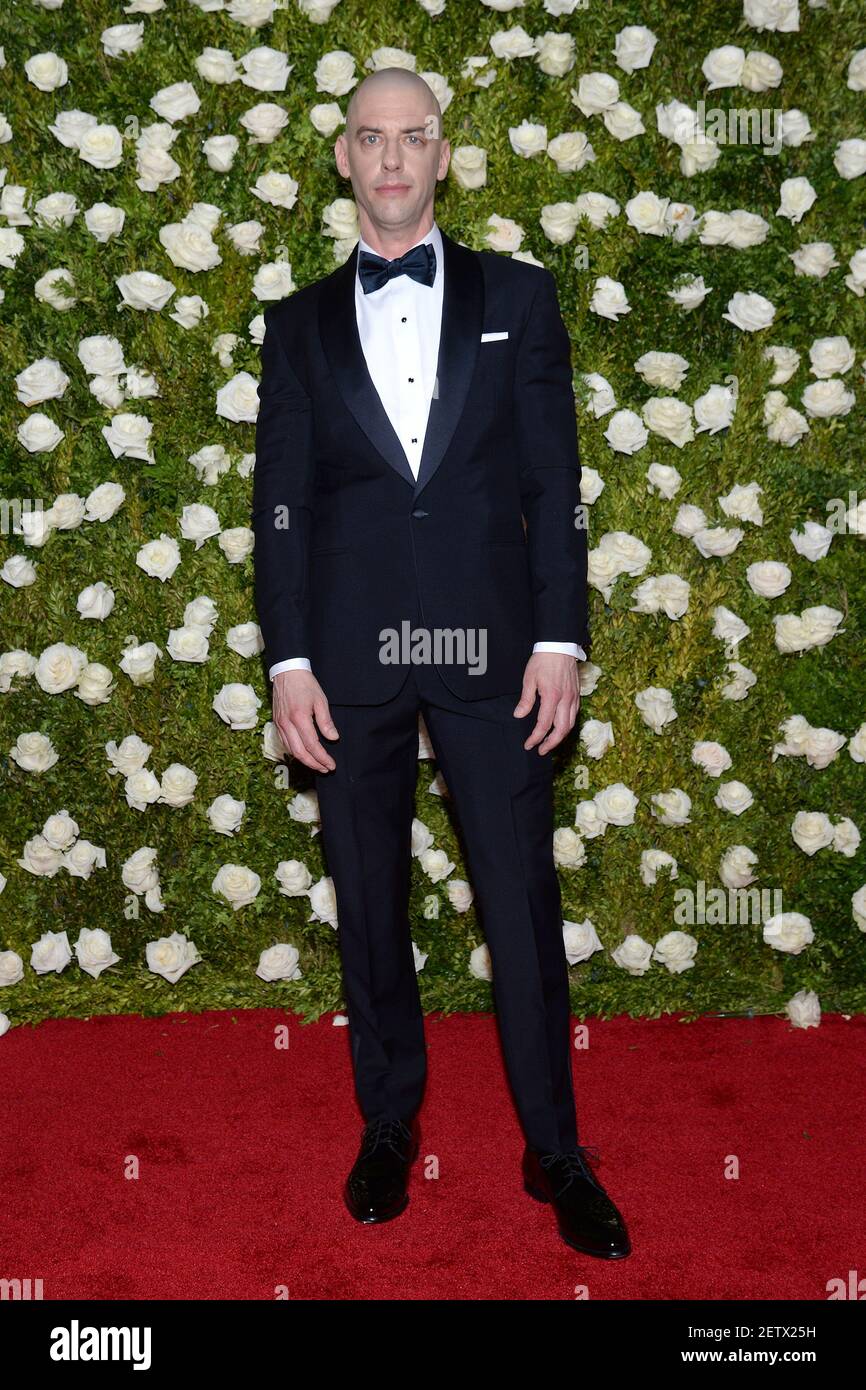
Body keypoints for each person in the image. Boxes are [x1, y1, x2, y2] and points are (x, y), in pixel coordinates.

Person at [252, 66, 630, 1260]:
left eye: (414, 137)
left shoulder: (521, 295)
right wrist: (289, 659)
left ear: (444, 155)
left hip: (493, 651)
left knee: (518, 908)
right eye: (372, 138)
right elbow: (280, 506)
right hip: (348, 656)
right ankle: (385, 1125)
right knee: (369, 907)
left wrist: (562, 638)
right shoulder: (298, 321)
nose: (394, 159)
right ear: (343, 159)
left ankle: (555, 1152)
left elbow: (550, 486)